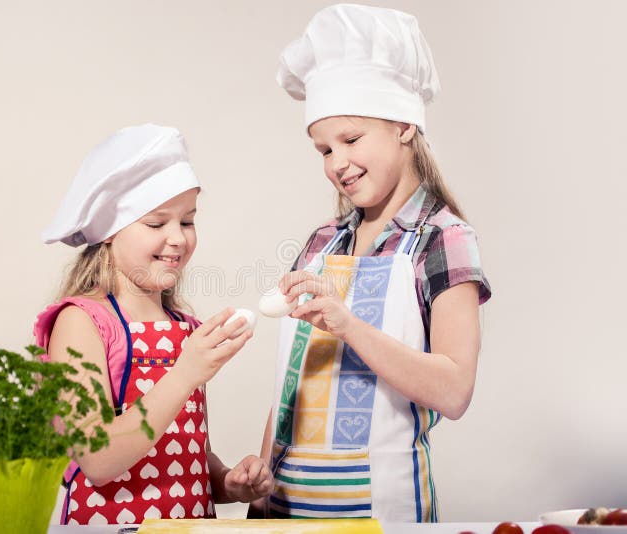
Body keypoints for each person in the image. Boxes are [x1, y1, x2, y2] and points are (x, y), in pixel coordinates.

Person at [249, 4, 492, 522]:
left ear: (404, 125)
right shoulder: (321, 243)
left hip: (382, 518)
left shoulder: (443, 239)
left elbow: (453, 391)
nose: (336, 163)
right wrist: (260, 479)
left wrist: (349, 326)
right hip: (285, 512)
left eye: (351, 139)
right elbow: (295, 380)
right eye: (322, 149)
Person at [35, 124, 272, 525]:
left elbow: (188, 456)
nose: (178, 238)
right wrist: (184, 374)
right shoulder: (82, 322)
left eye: (187, 221)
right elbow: (97, 458)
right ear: (110, 232)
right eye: (156, 223)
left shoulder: (185, 328)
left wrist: (229, 482)